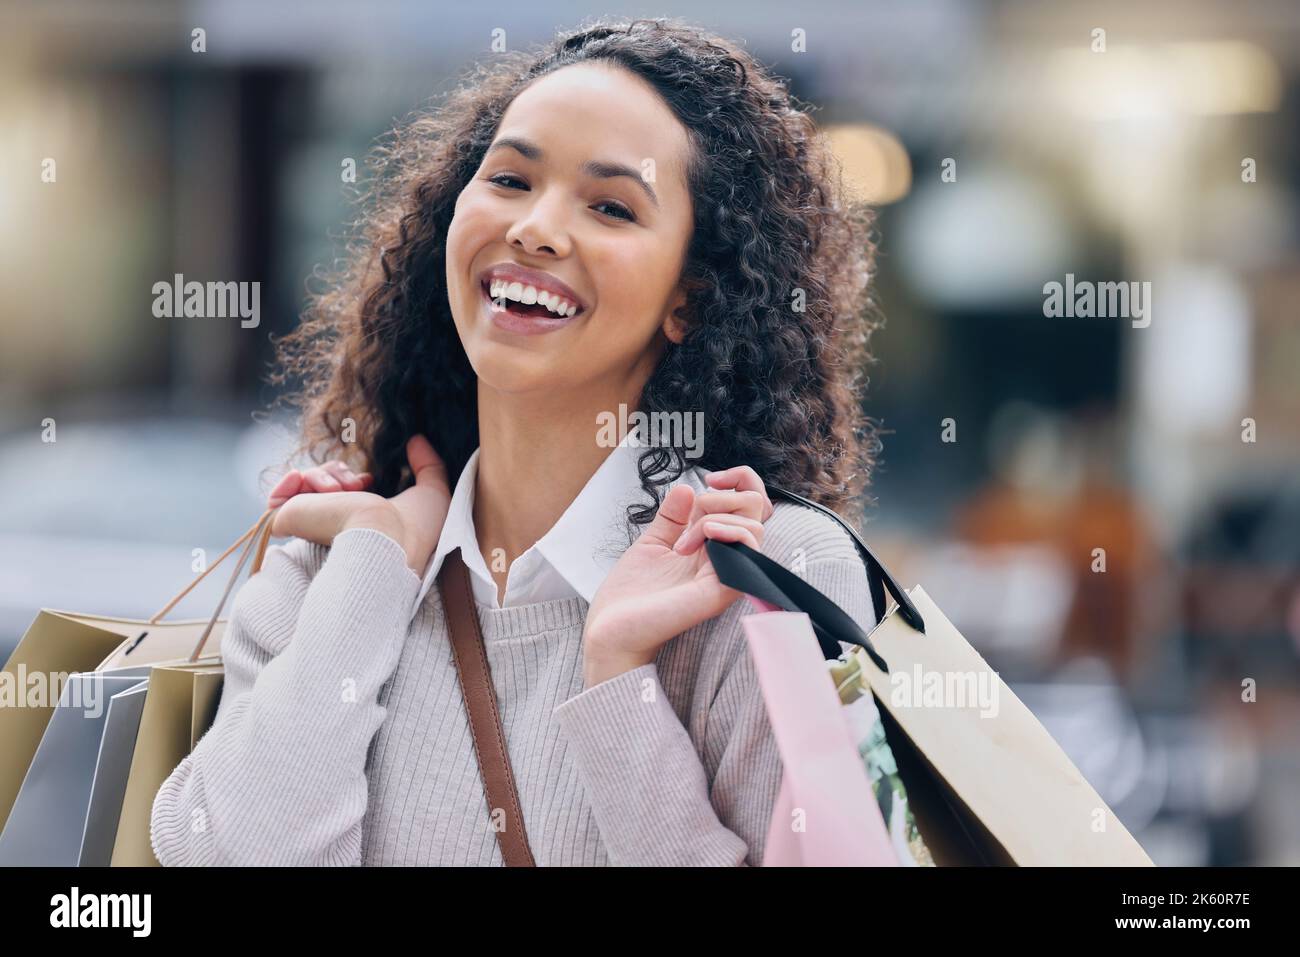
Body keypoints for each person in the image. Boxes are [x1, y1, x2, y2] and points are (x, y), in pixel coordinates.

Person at [151, 17, 883, 866]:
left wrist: (617, 680)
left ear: (691, 297)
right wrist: (372, 576)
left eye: (611, 205)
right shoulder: (333, 564)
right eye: (508, 178)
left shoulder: (760, 578)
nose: (536, 228)